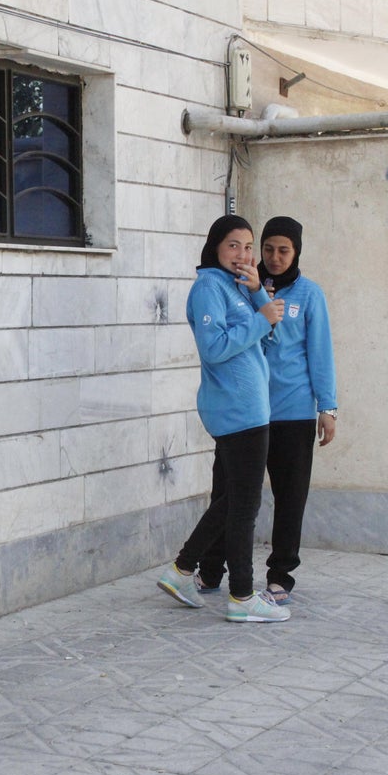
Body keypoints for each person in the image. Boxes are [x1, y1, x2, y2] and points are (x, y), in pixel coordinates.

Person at [155, 214, 290, 623]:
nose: (244, 254)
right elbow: (214, 348)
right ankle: (243, 596)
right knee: (244, 506)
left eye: (249, 247)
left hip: (252, 407)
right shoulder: (207, 288)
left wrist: (256, 297)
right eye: (234, 245)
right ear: (216, 246)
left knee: (233, 499)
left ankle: (182, 570)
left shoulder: (237, 288)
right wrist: (259, 316)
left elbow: (273, 335)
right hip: (235, 409)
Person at [196, 216, 337, 604]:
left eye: (284, 250)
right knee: (228, 494)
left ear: (296, 253)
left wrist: (328, 407)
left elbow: (320, 353)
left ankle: (280, 576)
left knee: (290, 497)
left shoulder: (310, 295)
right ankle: (210, 569)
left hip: (292, 412)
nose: (274, 257)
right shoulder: (239, 287)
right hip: (245, 413)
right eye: (268, 249)